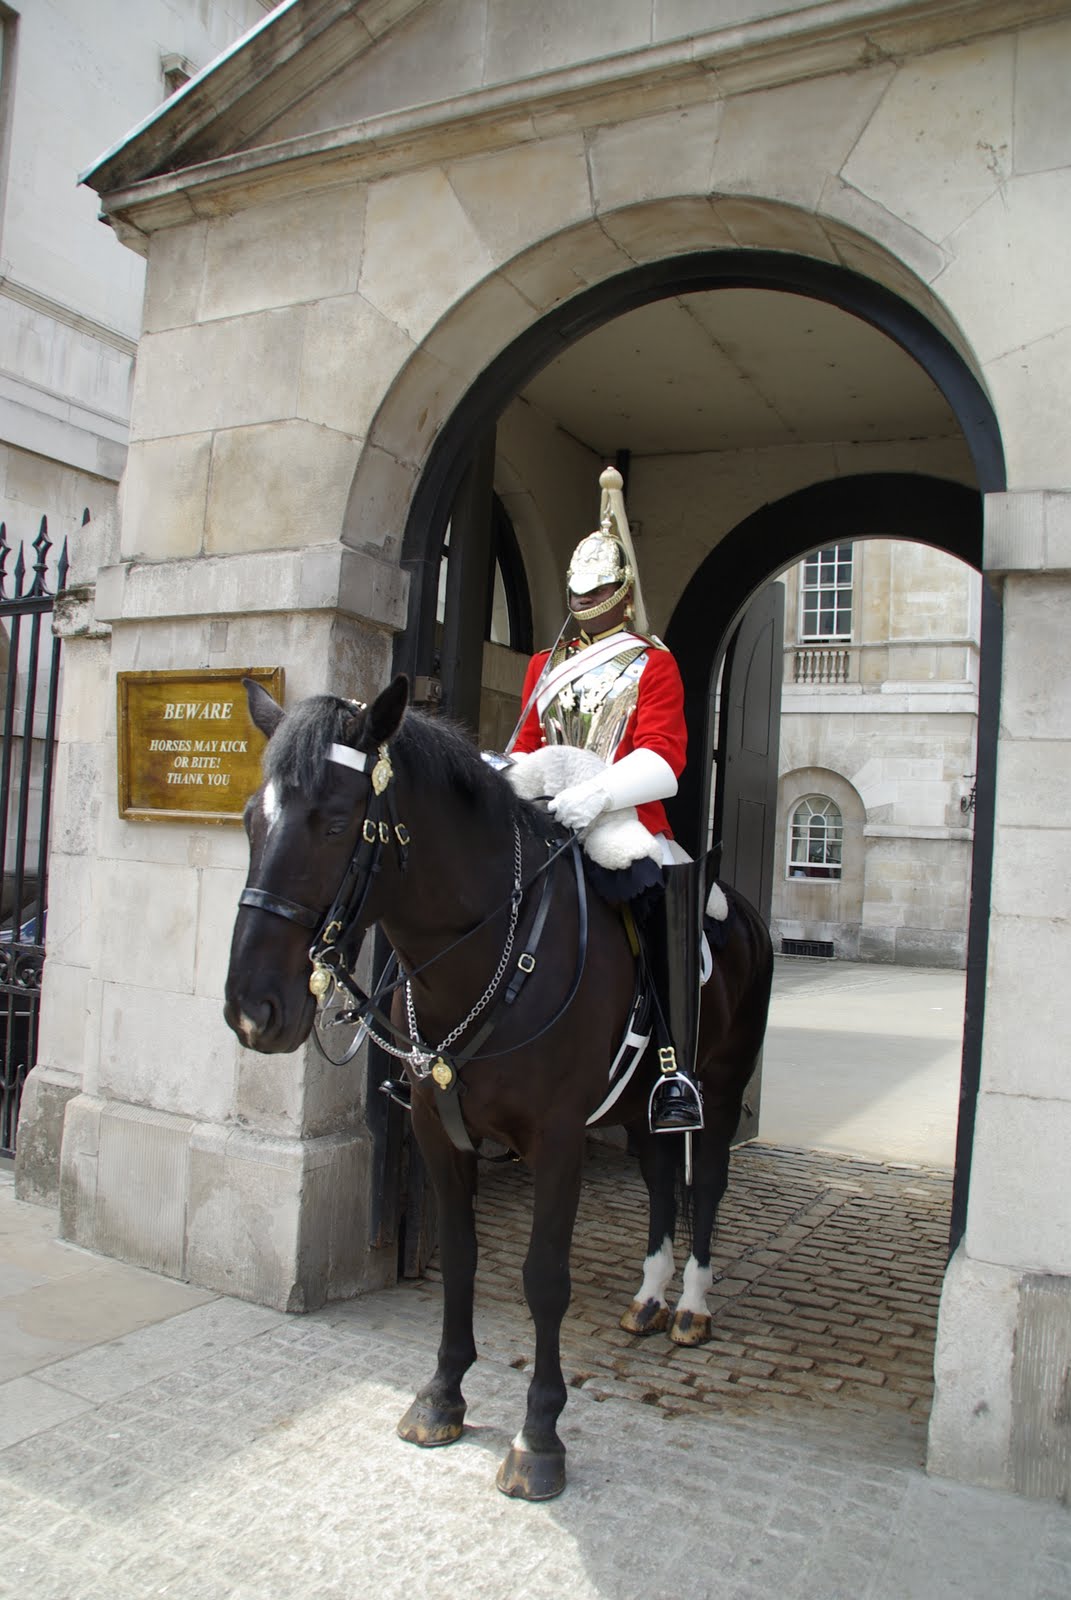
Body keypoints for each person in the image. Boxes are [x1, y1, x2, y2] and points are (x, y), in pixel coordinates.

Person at [508, 467, 704, 1134]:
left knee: (660, 908)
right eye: (579, 590)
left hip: (623, 817)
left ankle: (673, 1070)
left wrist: (595, 795)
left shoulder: (654, 663)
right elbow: (529, 740)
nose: (586, 599)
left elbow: (663, 758)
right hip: (545, 815)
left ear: (623, 595)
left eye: (598, 589)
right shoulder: (544, 664)